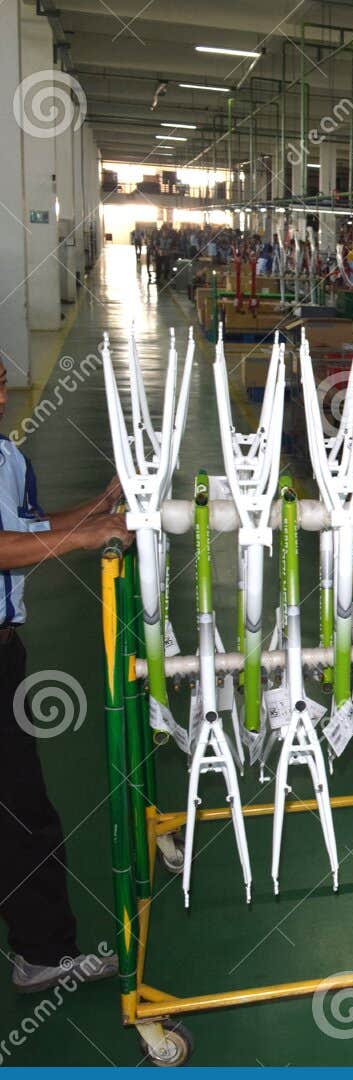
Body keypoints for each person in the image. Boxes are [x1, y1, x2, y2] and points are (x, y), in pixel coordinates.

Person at [0, 359, 130, 992]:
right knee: (24, 812)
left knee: (23, 808)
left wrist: (94, 510)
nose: (0, 395)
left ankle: (40, 950)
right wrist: (83, 542)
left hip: (6, 650)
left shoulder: (7, 457)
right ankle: (44, 951)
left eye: (0, 382)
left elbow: (23, 529)